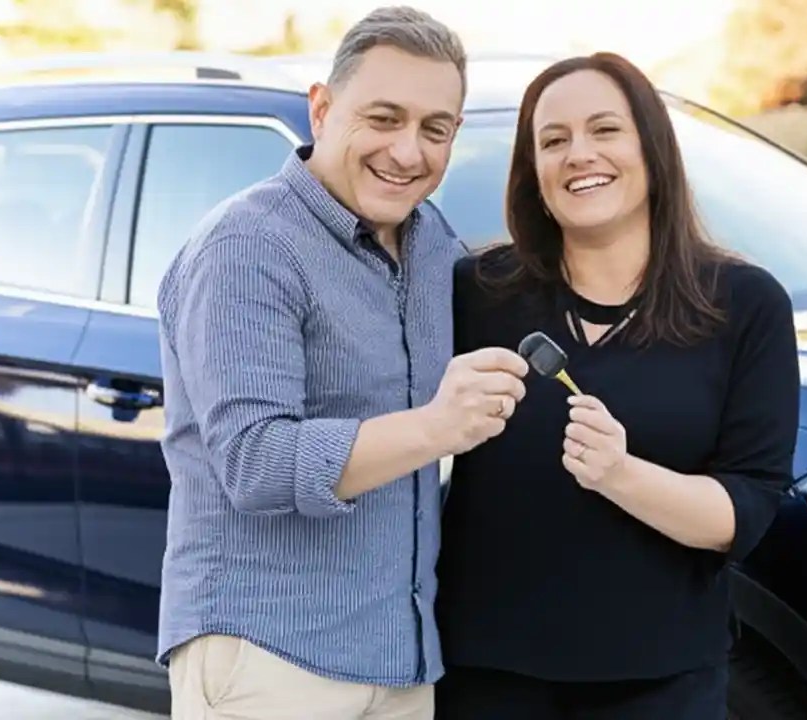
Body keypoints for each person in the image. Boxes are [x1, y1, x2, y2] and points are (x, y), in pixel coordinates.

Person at [154, 7, 529, 719]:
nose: (409, 151)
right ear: (322, 109)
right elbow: (256, 462)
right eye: (383, 118)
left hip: (400, 659)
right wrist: (438, 426)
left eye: (435, 128)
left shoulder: (431, 243)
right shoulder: (248, 247)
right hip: (269, 658)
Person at [434, 52, 801, 719]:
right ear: (532, 171)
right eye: (553, 140)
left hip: (661, 683)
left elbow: (742, 514)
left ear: (650, 148)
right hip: (487, 678)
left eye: (605, 130)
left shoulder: (745, 306)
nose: (579, 154)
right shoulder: (475, 295)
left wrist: (619, 473)